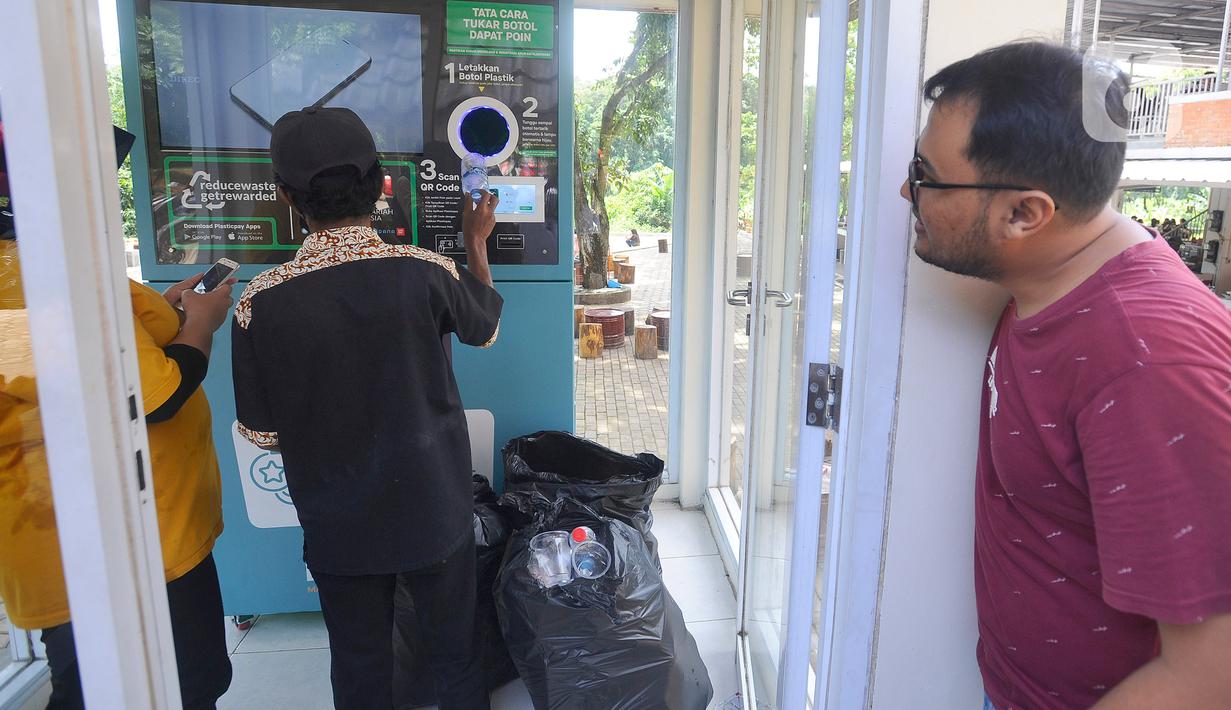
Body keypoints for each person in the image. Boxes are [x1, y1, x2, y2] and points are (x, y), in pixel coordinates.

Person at [902, 42, 1231, 709]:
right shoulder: (1053, 282)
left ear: (1025, 213)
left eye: (925, 174)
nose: (906, 191)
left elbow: (1210, 675)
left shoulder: (1143, 360)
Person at [231, 107, 502, 710]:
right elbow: (483, 327)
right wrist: (476, 244)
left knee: (360, 665)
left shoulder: (258, 304)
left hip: (339, 523)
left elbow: (261, 431)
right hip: (434, 507)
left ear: (286, 197)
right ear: (382, 183)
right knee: (455, 658)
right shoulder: (427, 272)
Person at [0, 125, 234, 709]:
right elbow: (154, 397)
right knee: (175, 687)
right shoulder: (38, 277)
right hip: (126, 553)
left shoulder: (38, 265)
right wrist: (200, 326)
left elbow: (94, 363)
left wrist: (166, 309)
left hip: (109, 546)